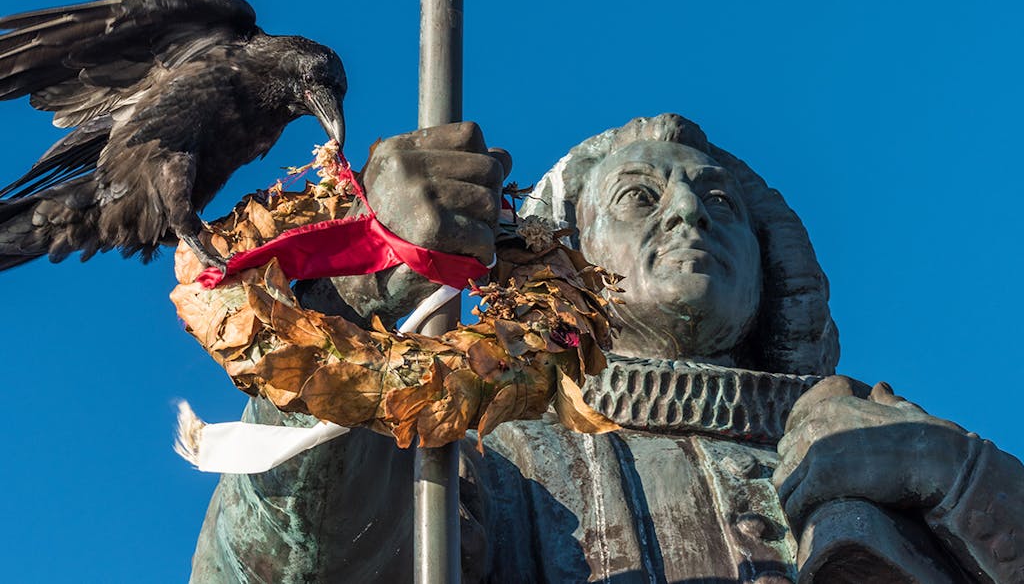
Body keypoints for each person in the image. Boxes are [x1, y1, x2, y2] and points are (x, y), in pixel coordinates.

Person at [190, 115, 1024, 583]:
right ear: (571, 252)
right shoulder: (502, 463)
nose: (690, 216)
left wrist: (974, 485)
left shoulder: (884, 444)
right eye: (639, 197)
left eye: (720, 200)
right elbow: (277, 568)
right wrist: (367, 285)